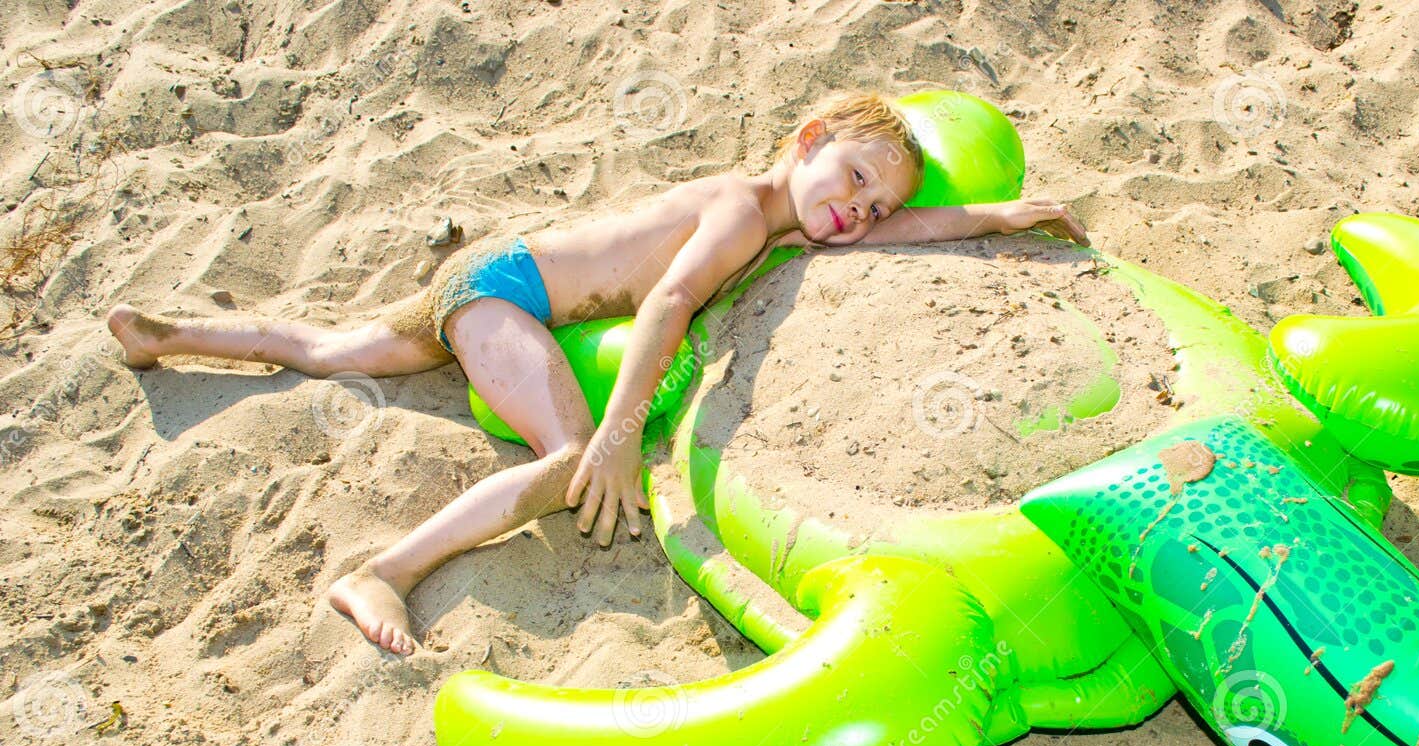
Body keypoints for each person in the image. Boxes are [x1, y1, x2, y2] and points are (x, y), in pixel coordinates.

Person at [108, 92, 1088, 655]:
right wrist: (618, 440)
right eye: (854, 179)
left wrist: (1003, 217)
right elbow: (668, 303)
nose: (858, 212)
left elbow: (905, 228)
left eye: (872, 206)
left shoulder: (791, 223)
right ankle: (381, 572)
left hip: (497, 277)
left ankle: (167, 334)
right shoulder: (741, 212)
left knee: (337, 350)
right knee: (566, 461)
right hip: (501, 296)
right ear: (806, 143)